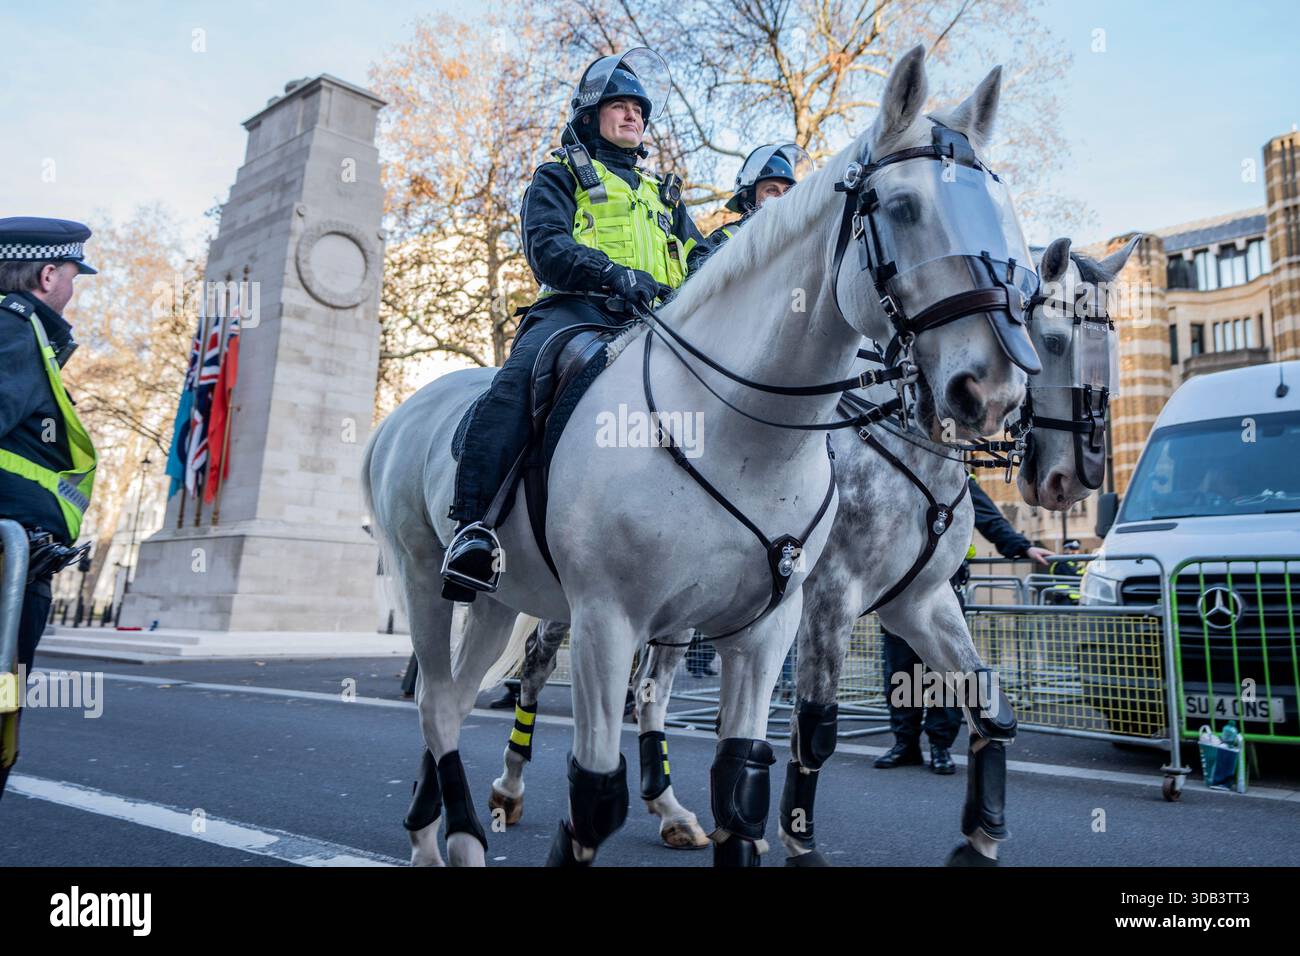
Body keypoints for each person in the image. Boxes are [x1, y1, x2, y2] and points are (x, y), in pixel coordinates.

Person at [442, 48, 704, 601]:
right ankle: (472, 528)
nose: (634, 115)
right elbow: (546, 246)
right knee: (522, 379)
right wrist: (610, 271)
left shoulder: (665, 194)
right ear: (590, 115)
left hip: (659, 322)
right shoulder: (559, 173)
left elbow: (703, 257)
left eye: (640, 109)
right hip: (576, 311)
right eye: (621, 106)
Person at [682, 142, 811, 680]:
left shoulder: (802, 253)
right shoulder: (724, 242)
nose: (779, 199)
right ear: (749, 197)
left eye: (786, 192)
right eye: (770, 191)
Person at [0, 217, 99, 800]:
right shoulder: (13, 331)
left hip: (20, 569)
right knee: (0, 716)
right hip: (7, 573)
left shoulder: (26, 337)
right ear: (47, 274)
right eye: (71, 275)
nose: (72, 288)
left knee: (4, 713)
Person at [875, 474, 1050, 774]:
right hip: (897, 592)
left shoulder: (955, 478)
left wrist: (1023, 547)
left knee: (945, 675)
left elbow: (988, 517)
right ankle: (905, 744)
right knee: (901, 674)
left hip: (940, 592)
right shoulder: (899, 475)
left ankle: (940, 746)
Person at [1043, 538, 1086, 605]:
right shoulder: (1062, 563)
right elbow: (1074, 576)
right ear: (1065, 549)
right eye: (1071, 549)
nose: (1075, 552)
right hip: (1064, 596)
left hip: (1076, 596)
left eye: (1076, 549)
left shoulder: (1077, 564)